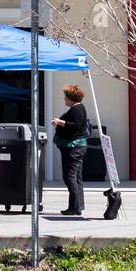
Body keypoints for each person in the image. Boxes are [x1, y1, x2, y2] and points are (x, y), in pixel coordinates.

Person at [51, 84, 89, 216]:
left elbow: (76, 125)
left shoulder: (77, 109)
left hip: (73, 148)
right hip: (75, 147)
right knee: (76, 177)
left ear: (71, 98)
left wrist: (60, 122)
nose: (64, 99)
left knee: (69, 177)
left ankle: (75, 207)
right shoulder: (78, 108)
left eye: (65, 97)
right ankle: (77, 205)